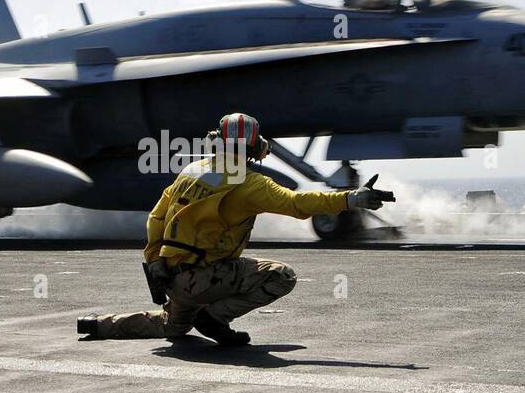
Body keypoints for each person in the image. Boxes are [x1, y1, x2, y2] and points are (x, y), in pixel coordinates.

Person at [77, 113, 391, 346]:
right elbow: (297, 204)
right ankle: (215, 317)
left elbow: (156, 218)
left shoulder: (192, 171)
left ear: (216, 140)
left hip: (171, 278)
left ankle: (99, 324)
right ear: (256, 147)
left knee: (172, 327)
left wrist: (155, 261)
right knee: (282, 275)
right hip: (205, 280)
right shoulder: (250, 183)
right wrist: (351, 199)